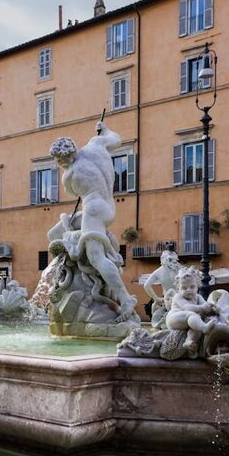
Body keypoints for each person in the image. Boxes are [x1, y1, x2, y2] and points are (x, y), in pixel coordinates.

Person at [49, 121, 136, 320]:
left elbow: (72, 193)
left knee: (96, 258)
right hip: (108, 207)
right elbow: (116, 139)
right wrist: (104, 128)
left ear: (62, 158)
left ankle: (125, 298)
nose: (58, 165)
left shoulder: (69, 175)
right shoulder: (95, 144)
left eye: (57, 161)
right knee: (88, 247)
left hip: (93, 209)